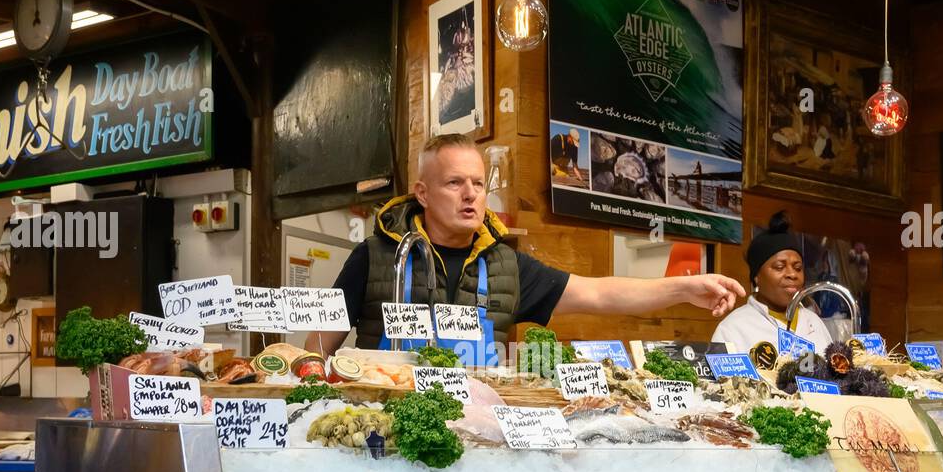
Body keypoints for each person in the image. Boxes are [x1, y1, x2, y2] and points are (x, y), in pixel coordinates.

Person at [311, 133, 746, 365]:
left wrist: (683, 289)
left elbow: (598, 293)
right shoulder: (373, 256)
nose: (470, 195)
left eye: (478, 184)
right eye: (454, 183)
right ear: (422, 194)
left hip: (476, 437)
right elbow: (318, 349)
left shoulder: (507, 265)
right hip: (382, 438)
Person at [710, 211, 833, 354]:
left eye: (798, 268)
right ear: (757, 276)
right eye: (779, 267)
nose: (792, 274)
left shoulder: (815, 322)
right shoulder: (732, 329)